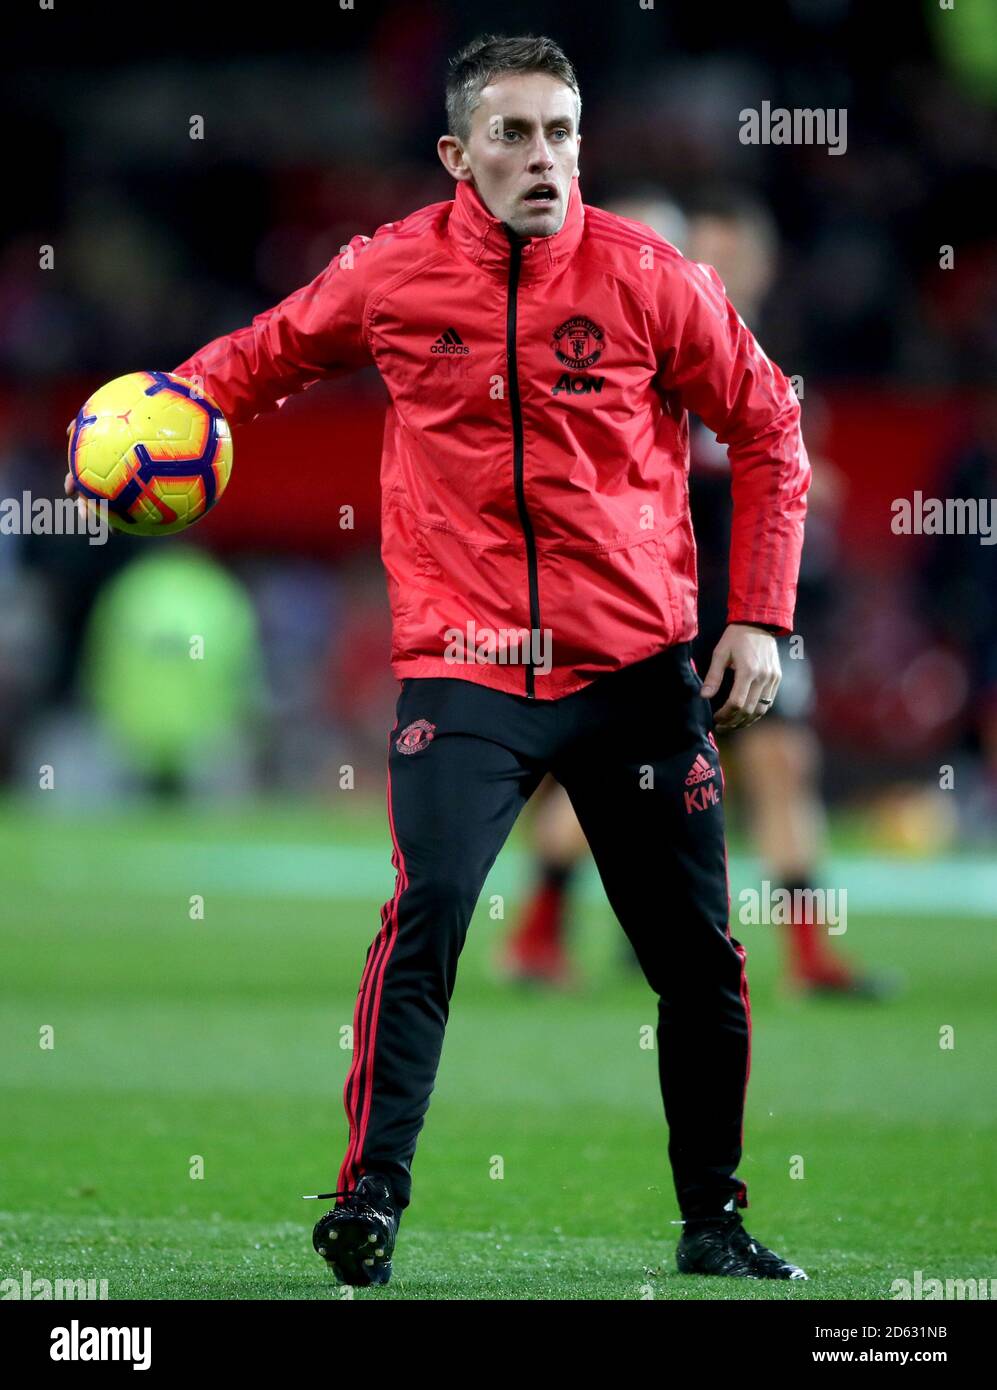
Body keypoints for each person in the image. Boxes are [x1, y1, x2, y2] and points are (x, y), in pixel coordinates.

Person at [66, 33, 811, 1286]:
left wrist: (758, 616)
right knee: (430, 910)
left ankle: (714, 1223)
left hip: (633, 672)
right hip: (465, 665)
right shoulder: (391, 272)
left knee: (698, 961)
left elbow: (770, 427)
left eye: (562, 133)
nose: (544, 159)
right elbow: (257, 361)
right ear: (456, 155)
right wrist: (148, 428)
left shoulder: (652, 280)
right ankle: (370, 1200)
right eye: (514, 135)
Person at [502, 189, 898, 999]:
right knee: (613, 771)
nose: (716, 266)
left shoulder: (764, 359)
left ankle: (809, 957)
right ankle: (538, 937)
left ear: (763, 262)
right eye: (701, 249)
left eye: (734, 251)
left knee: (783, 764)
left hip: (751, 604)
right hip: (658, 597)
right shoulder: (649, 346)